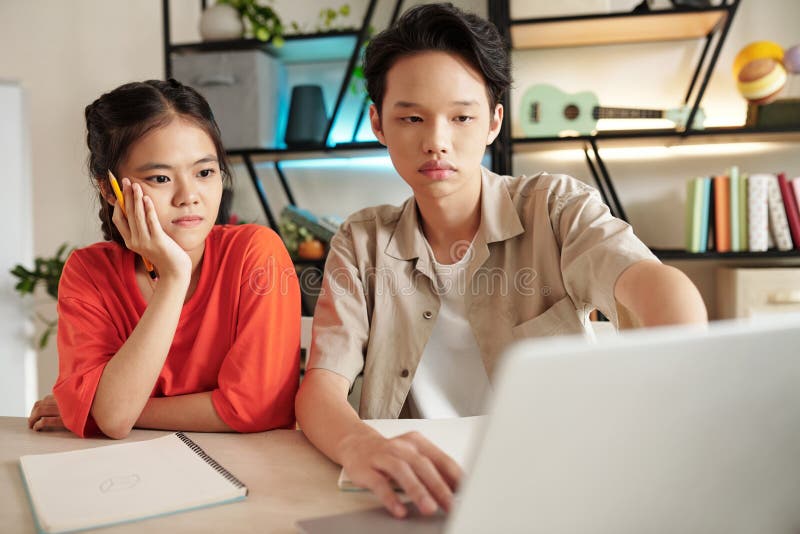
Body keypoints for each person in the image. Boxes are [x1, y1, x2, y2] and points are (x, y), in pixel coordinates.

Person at [295, 2, 707, 519]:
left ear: (493, 122)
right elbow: (321, 389)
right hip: (420, 491)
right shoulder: (360, 241)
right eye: (411, 118)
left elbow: (653, 285)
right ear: (378, 123)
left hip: (555, 481)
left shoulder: (556, 207)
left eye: (461, 117)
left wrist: (687, 386)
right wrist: (361, 445)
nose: (436, 141)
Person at [27, 79, 301, 439]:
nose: (189, 196)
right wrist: (174, 278)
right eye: (160, 177)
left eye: (204, 172)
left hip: (256, 473)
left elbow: (253, 409)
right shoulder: (88, 272)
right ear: (110, 190)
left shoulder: (256, 252)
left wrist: (100, 408)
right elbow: (112, 417)